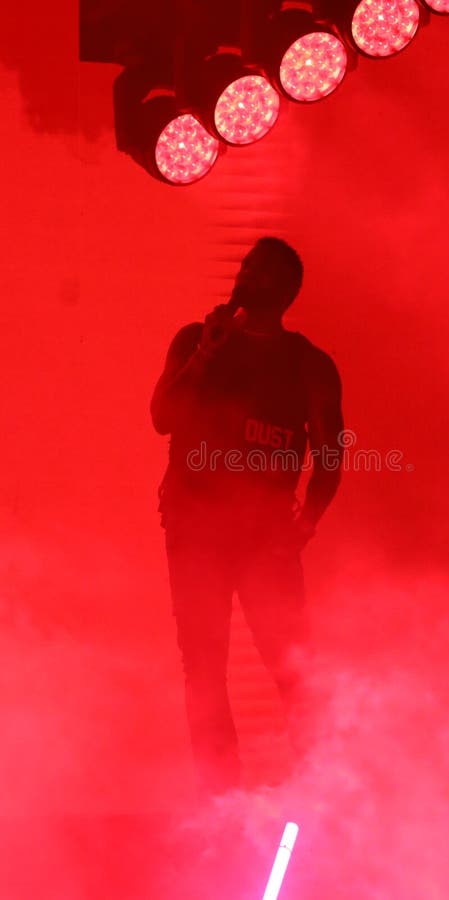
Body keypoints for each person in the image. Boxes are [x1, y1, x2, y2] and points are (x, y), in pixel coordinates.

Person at [150, 237, 344, 793]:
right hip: (195, 530)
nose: (248, 276)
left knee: (290, 665)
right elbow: (163, 417)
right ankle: (222, 797)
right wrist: (207, 353)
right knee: (204, 670)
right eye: (247, 265)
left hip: (265, 539)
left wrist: (304, 525)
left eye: (263, 272)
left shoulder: (309, 365)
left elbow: (331, 454)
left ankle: (319, 788)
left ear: (286, 292)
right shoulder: (197, 340)